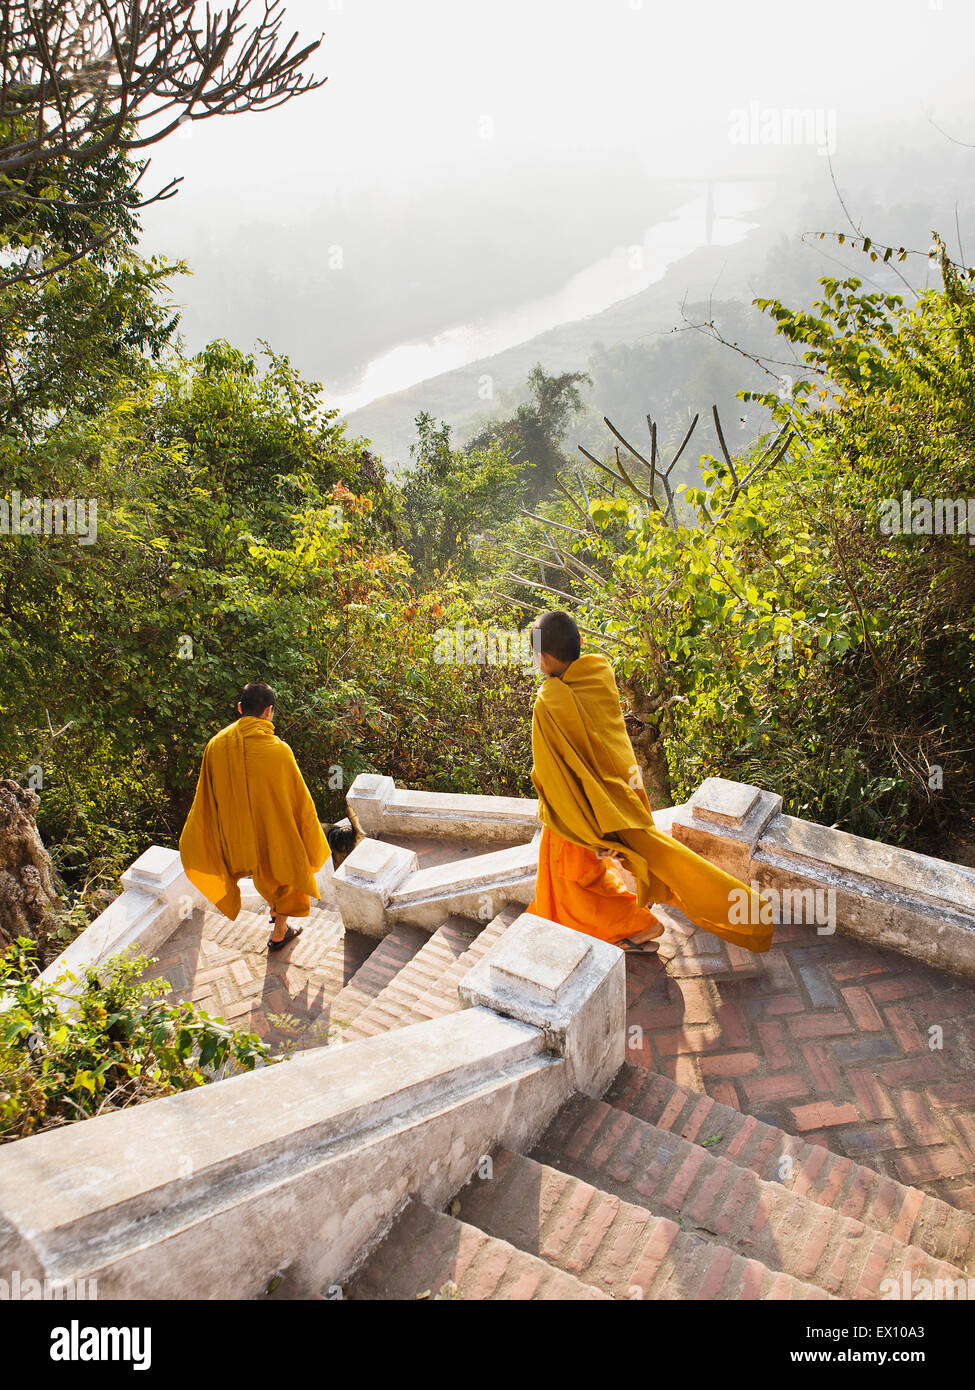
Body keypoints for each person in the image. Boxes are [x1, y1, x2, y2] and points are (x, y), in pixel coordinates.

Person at [527, 611, 773, 955]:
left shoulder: (550, 702)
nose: (534, 659)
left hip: (574, 814)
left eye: (535, 652)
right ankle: (733, 914)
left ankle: (636, 925)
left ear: (547, 657)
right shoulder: (598, 676)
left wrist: (591, 827)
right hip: (606, 804)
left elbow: (556, 769)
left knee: (572, 882)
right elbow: (612, 753)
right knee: (582, 878)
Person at [179, 681, 330, 953]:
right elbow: (301, 804)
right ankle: (279, 933)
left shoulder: (216, 745)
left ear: (240, 708)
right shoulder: (279, 750)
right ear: (269, 711)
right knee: (287, 868)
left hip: (235, 836)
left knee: (266, 868)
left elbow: (205, 797)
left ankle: (274, 912)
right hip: (271, 833)